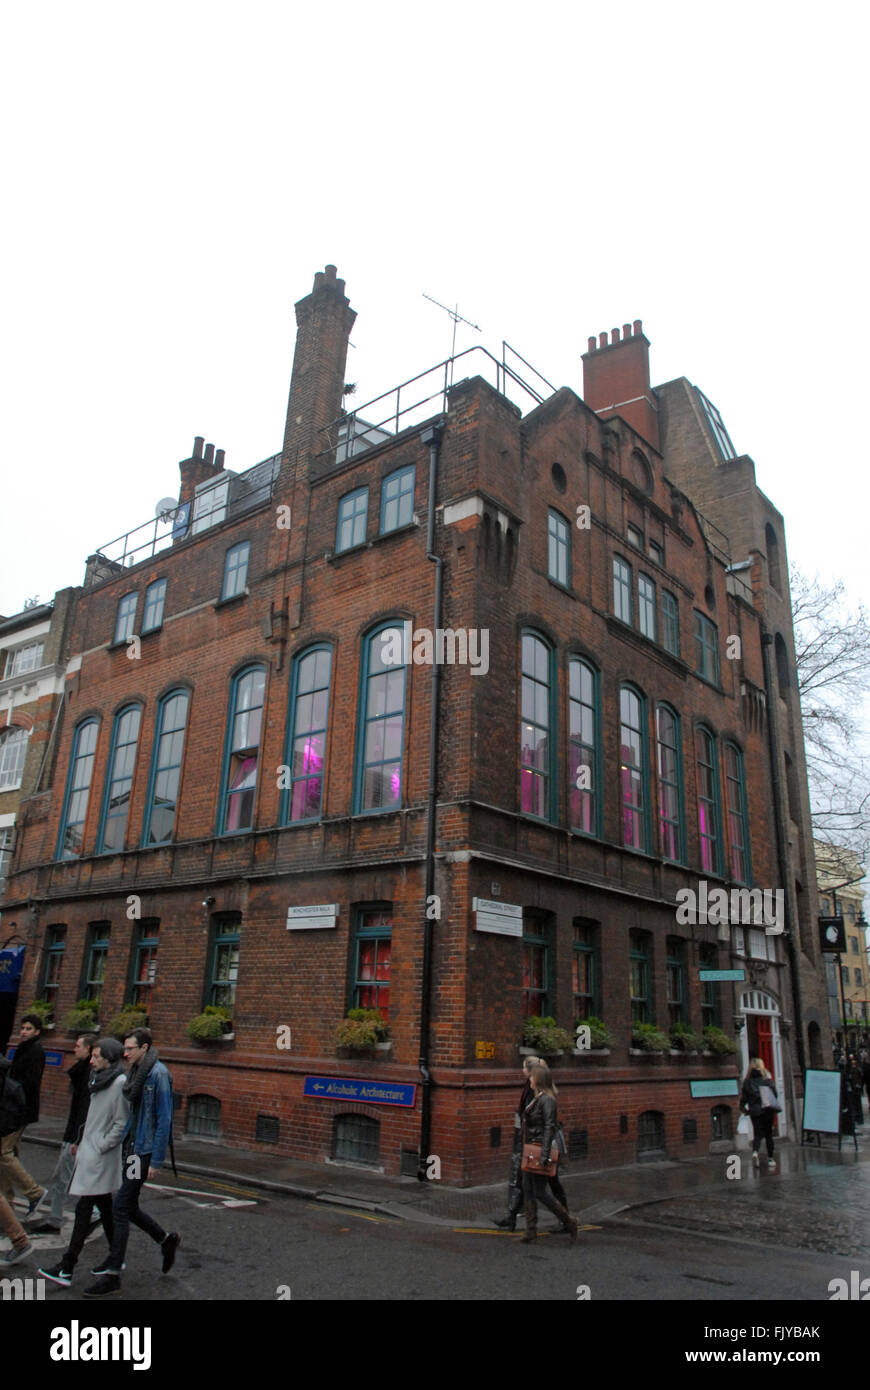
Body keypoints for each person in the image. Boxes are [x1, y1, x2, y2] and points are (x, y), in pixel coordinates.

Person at [84, 1027, 179, 1298]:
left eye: (129, 1049)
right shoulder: (137, 1073)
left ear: (144, 1048)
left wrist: (157, 1160)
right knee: (128, 1205)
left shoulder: (159, 1075)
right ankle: (166, 1239)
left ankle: (114, 1273)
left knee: (121, 1207)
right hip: (133, 1148)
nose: (125, 1053)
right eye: (124, 1048)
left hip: (144, 1152)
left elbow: (164, 1120)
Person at [38, 1037, 129, 1290]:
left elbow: (121, 1122)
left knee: (83, 1211)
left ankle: (67, 1267)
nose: (92, 1060)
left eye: (97, 1056)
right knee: (106, 1211)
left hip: (100, 1156)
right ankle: (116, 1257)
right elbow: (90, 1116)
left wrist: (100, 1145)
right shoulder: (97, 1079)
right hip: (89, 1151)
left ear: (109, 1058)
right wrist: (81, 1140)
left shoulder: (119, 1082)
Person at [25, 1033, 96, 1235]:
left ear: (88, 1050)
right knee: (67, 1178)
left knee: (66, 1178)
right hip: (72, 1134)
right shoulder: (82, 1072)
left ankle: (70, 1218)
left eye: (78, 1046)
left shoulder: (88, 1074)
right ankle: (83, 1214)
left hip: (75, 1136)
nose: (75, 1049)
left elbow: (84, 1110)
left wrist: (76, 1139)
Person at [493, 1056, 570, 1231]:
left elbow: (548, 1125)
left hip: (542, 1144)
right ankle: (517, 1220)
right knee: (525, 1181)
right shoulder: (534, 1090)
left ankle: (566, 1220)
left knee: (548, 1184)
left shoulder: (540, 1094)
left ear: (533, 1073)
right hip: (533, 1143)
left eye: (524, 1069)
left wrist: (542, 1152)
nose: (523, 1073)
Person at [519, 1063, 577, 1244]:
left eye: (532, 1077)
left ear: (538, 1080)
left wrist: (544, 1155)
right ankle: (530, 1231)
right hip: (531, 1148)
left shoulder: (547, 1100)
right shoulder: (538, 1098)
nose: (529, 1079)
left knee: (540, 1192)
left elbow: (549, 1127)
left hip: (539, 1149)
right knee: (527, 1189)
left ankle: (569, 1221)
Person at [1, 1014, 47, 1215]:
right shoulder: (22, 1049)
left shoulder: (35, 1051)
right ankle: (7, 1207)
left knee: (4, 1153)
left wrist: (16, 1106)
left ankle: (35, 1193)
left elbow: (29, 1084)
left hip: (19, 1110)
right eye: (23, 1028)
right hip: (12, 1109)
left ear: (37, 1031)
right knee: (5, 1156)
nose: (23, 1031)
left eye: (28, 1028)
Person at [740, 1057, 778, 1167]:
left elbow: (744, 1099)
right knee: (768, 1135)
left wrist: (744, 1109)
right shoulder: (767, 1080)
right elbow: (774, 1095)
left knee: (757, 1134)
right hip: (767, 1111)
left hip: (755, 1111)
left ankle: (755, 1152)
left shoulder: (747, 1082)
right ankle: (770, 1159)